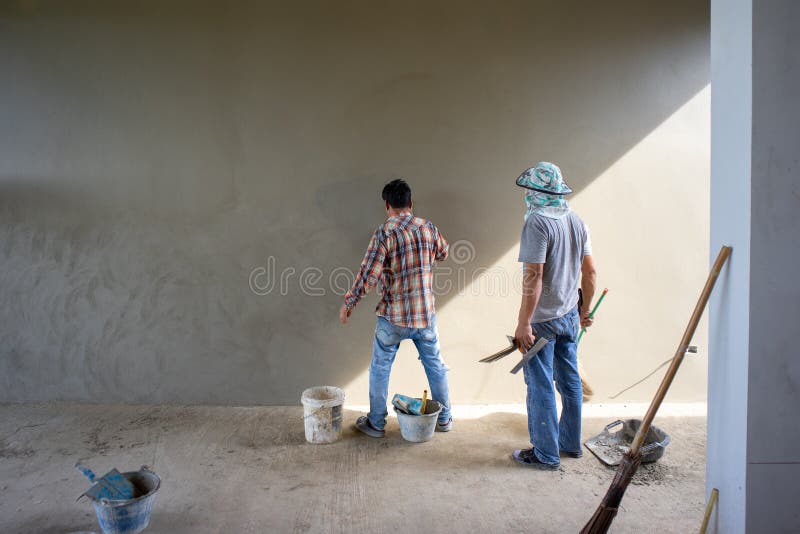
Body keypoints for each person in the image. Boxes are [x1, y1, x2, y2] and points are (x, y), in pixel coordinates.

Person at [339, 179, 453, 437]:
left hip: (393, 317)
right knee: (435, 365)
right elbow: (443, 252)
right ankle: (444, 419)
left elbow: (368, 275)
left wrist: (349, 303)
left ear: (387, 205)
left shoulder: (385, 232)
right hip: (424, 316)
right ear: (410, 204)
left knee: (380, 367)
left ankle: (376, 424)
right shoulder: (428, 227)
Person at [510, 162, 597, 470]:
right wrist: (584, 310)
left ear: (535, 192)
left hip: (543, 321)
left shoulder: (537, 223)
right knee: (570, 380)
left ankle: (545, 454)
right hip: (569, 316)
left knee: (541, 385)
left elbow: (533, 275)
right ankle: (570, 444)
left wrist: (523, 324)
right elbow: (590, 272)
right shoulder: (576, 221)